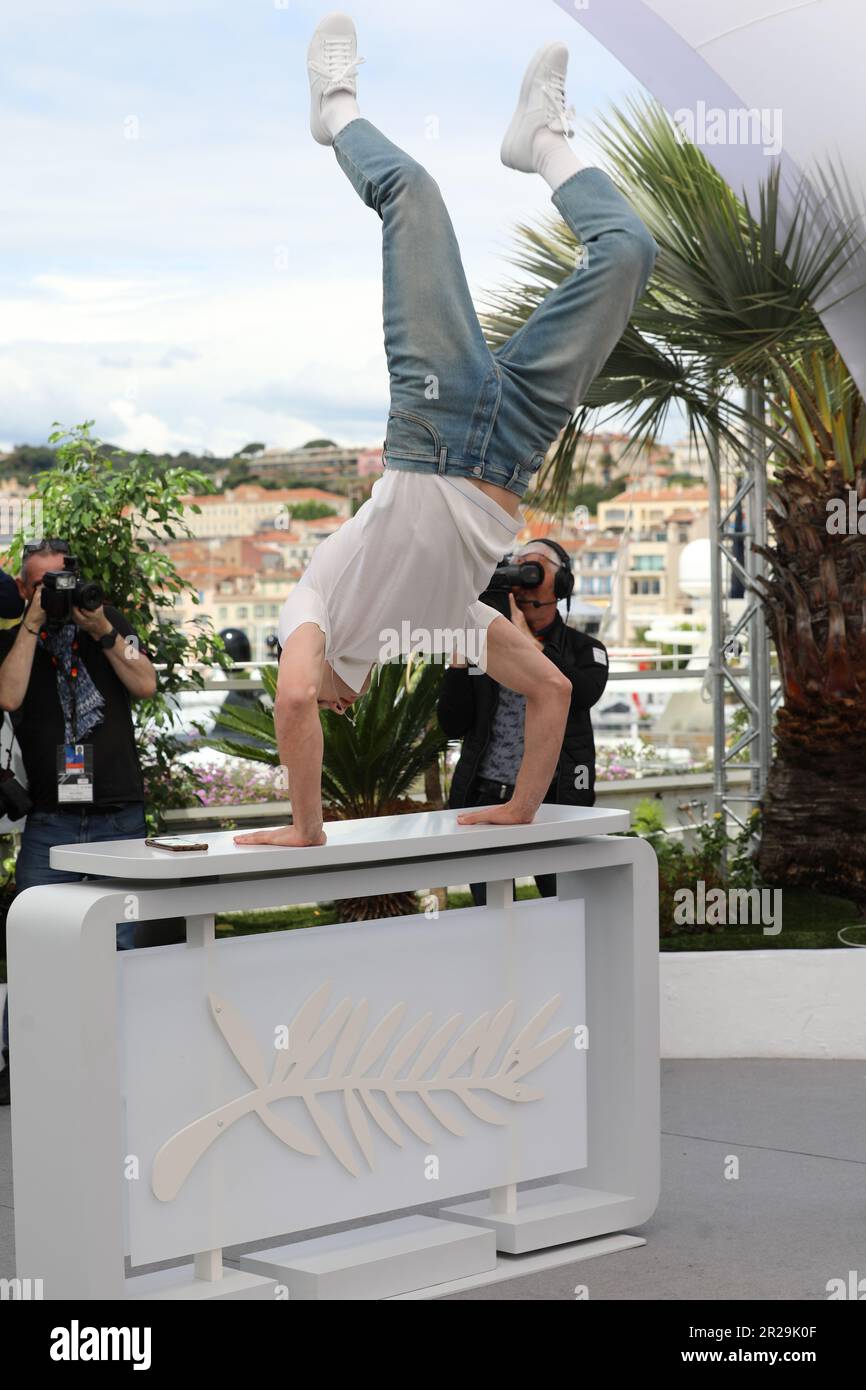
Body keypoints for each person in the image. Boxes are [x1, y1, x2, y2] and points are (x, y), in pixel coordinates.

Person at [235, 13, 656, 853]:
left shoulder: (309, 602)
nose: (319, 697)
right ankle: (543, 143)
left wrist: (307, 829)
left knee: (413, 194)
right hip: (518, 440)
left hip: (437, 418)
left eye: (316, 694)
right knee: (628, 251)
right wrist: (519, 810)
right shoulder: (436, 625)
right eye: (324, 700)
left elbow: (287, 699)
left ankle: (337, 110)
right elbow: (554, 695)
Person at [0, 539, 158, 1105]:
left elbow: (145, 684)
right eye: (45, 585)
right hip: (52, 821)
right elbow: (8, 696)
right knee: (35, 942)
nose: (60, 595)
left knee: (121, 946)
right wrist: (32, 625)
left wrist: (105, 633)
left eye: (63, 581)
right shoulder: (17, 635)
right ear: (25, 589)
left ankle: (120, 1062)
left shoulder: (105, 620)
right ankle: (21, 1069)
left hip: (118, 813)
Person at [438, 540, 609, 904]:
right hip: (484, 795)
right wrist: (458, 658)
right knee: (491, 909)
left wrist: (528, 644)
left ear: (561, 583)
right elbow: (452, 724)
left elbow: (581, 694)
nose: (522, 574)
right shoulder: (482, 648)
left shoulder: (585, 648)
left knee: (565, 903)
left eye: (534, 566)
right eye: (516, 566)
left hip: (555, 797)